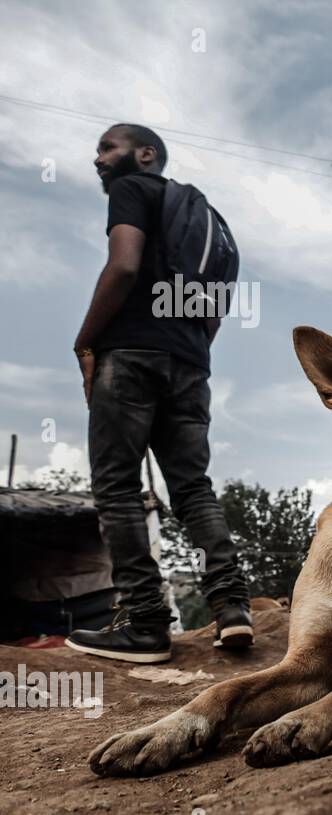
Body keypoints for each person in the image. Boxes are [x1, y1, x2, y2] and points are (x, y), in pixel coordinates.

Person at [65, 124, 252, 663]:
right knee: (192, 486)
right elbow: (211, 312)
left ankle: (144, 623)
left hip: (131, 355)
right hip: (191, 362)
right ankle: (232, 608)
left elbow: (123, 265)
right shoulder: (213, 222)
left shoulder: (135, 188)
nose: (98, 159)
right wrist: (186, 349)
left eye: (107, 148)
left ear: (144, 155)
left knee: (118, 486)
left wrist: (85, 342)